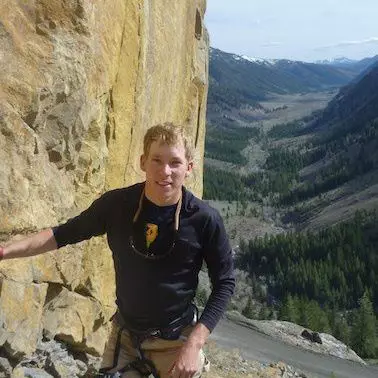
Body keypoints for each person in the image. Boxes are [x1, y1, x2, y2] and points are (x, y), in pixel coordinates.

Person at [0, 123, 235, 378]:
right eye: (157, 159)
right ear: (143, 161)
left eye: (175, 162)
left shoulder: (204, 220)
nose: (165, 171)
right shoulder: (117, 205)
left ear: (189, 168)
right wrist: (4, 251)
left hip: (177, 341)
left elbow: (225, 282)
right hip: (126, 338)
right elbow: (63, 234)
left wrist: (195, 343)